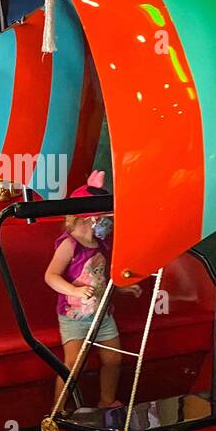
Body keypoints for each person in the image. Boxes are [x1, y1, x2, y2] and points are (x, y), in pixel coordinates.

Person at [44, 171, 141, 410]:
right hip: (74, 317)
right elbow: (51, 276)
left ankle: (107, 400)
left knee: (113, 359)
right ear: (89, 218)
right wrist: (75, 291)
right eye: (106, 217)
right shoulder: (70, 244)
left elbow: (102, 278)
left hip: (103, 314)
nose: (110, 222)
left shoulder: (102, 245)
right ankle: (59, 408)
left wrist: (123, 289)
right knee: (73, 364)